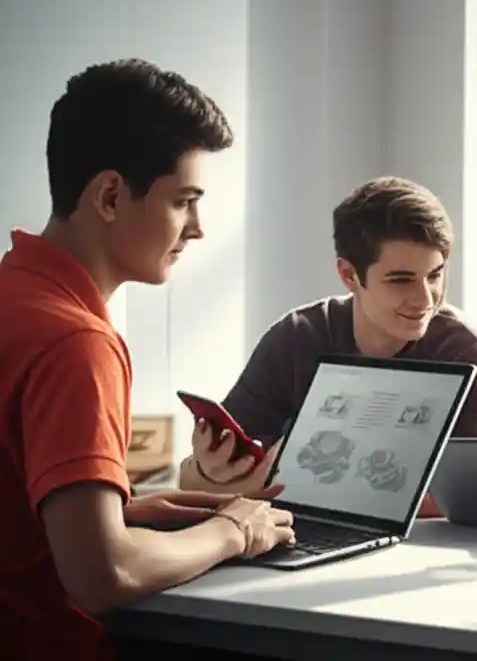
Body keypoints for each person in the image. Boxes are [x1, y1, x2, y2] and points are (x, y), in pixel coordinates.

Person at [0, 59, 294, 660]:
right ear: (110, 196)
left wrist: (124, 513)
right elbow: (103, 573)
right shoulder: (75, 342)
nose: (197, 229)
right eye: (184, 201)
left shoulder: (15, 296)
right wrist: (233, 531)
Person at [177, 177, 477, 518]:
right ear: (349, 275)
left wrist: (284, 489)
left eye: (435, 275)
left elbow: (470, 498)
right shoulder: (295, 338)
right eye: (401, 280)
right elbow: (189, 481)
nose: (425, 299)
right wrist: (208, 473)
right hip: (296, 531)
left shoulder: (470, 354)